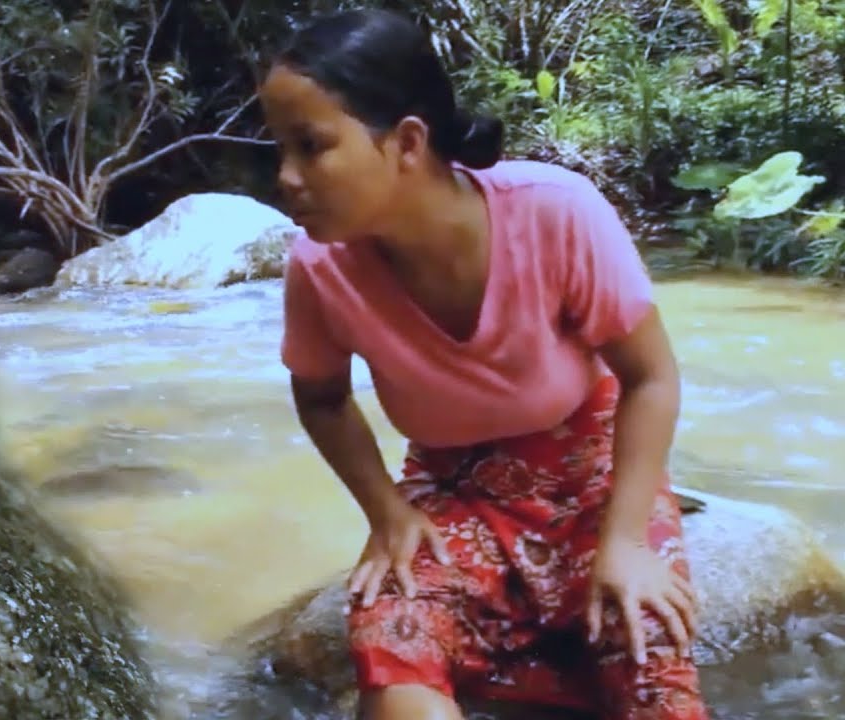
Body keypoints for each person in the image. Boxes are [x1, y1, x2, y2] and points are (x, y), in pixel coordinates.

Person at [259, 8, 710, 720]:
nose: (284, 177)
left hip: (591, 479)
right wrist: (386, 511)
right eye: (279, 149)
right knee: (391, 634)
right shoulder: (319, 268)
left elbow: (650, 376)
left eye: (311, 146)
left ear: (407, 141)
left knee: (646, 642)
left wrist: (625, 542)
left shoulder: (556, 213)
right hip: (453, 492)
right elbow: (320, 398)